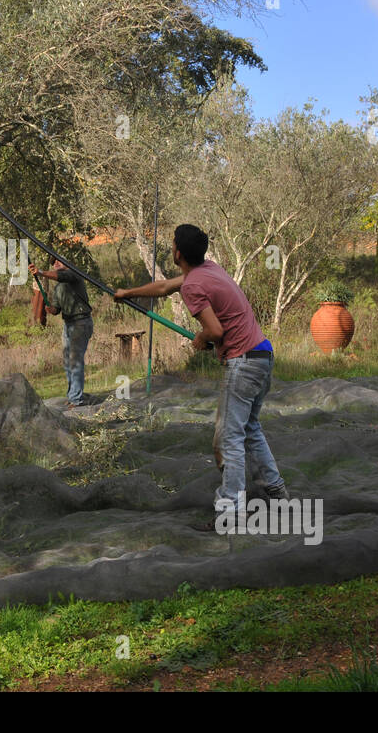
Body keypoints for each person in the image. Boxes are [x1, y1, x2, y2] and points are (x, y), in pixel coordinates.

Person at [114, 224, 288, 523]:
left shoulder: (194, 285)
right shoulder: (209, 269)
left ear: (178, 252)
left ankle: (231, 512)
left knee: (228, 439)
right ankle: (275, 491)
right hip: (262, 354)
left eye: (172, 243)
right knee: (250, 430)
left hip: (243, 363)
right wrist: (128, 293)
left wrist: (202, 338)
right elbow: (164, 287)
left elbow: (216, 330)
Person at [29, 256, 92, 408]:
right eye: (53, 262)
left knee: (75, 361)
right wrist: (50, 310)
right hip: (68, 324)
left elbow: (62, 276)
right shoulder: (58, 288)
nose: (55, 263)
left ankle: (76, 399)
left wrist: (41, 272)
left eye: (58, 260)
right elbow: (56, 310)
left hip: (81, 322)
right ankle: (73, 395)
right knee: (67, 362)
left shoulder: (74, 274)